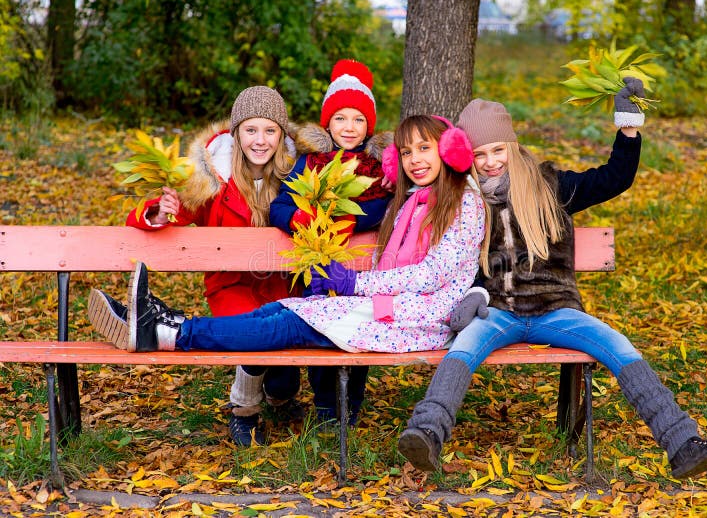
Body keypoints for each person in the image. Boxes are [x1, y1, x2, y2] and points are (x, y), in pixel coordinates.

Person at [397, 86, 707, 480]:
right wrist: (475, 291)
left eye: (497, 150)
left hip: (555, 310)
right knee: (465, 345)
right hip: (497, 312)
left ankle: (682, 443)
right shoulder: (467, 200)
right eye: (479, 154)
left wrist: (628, 129)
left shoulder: (549, 186)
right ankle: (426, 434)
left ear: (512, 144)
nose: (490, 162)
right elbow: (458, 259)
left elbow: (614, 178)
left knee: (616, 343)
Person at [88, 115, 487, 389]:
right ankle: (161, 323)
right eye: (406, 152)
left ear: (450, 151)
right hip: (392, 310)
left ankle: (167, 332)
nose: (414, 160)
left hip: (420, 318)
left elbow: (430, 275)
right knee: (278, 314)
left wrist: (353, 281)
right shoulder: (416, 200)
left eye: (424, 149)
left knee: (284, 325)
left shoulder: (464, 203)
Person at [88, 85, 306, 447]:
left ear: (282, 135)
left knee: (284, 377)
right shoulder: (212, 180)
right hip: (232, 285)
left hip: (283, 286)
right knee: (251, 338)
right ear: (236, 134)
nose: (260, 140)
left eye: (270, 130)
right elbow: (173, 211)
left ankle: (279, 393)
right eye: (251, 130)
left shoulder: (295, 177)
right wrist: (160, 211)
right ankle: (244, 411)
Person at [269, 59, 393, 427]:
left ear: (369, 125)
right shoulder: (311, 162)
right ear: (328, 123)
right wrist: (303, 217)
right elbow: (279, 208)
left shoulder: (379, 168)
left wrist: (349, 216)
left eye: (358, 119)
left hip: (363, 273)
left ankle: (351, 408)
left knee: (360, 332)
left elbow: (388, 209)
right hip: (319, 266)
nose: (349, 127)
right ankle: (325, 408)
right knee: (322, 331)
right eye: (341, 118)